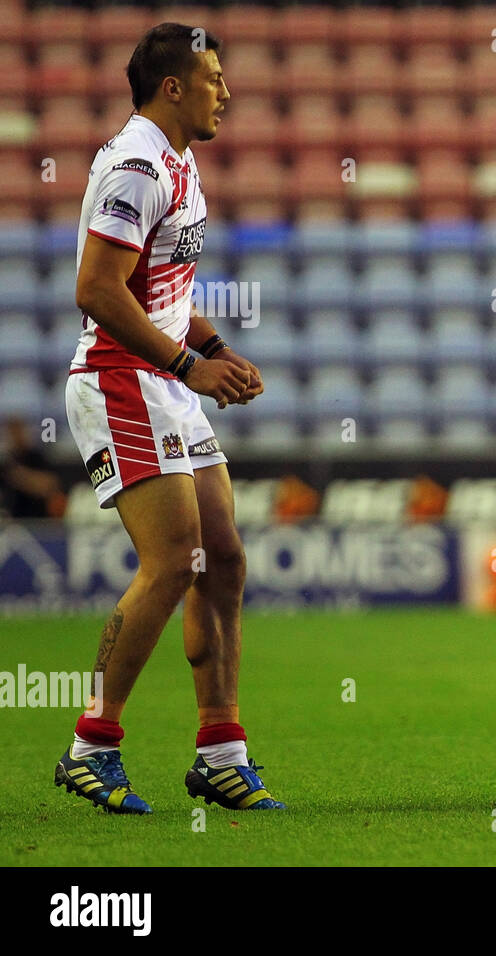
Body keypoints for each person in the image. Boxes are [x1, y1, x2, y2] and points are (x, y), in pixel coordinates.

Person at [55, 23, 283, 814]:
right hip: (121, 380)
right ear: (173, 87)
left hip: (166, 384)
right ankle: (93, 745)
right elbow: (97, 289)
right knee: (176, 558)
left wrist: (215, 344)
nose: (228, 91)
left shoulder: (180, 164)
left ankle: (221, 752)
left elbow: (165, 293)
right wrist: (190, 365)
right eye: (214, 77)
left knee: (222, 556)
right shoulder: (135, 165)